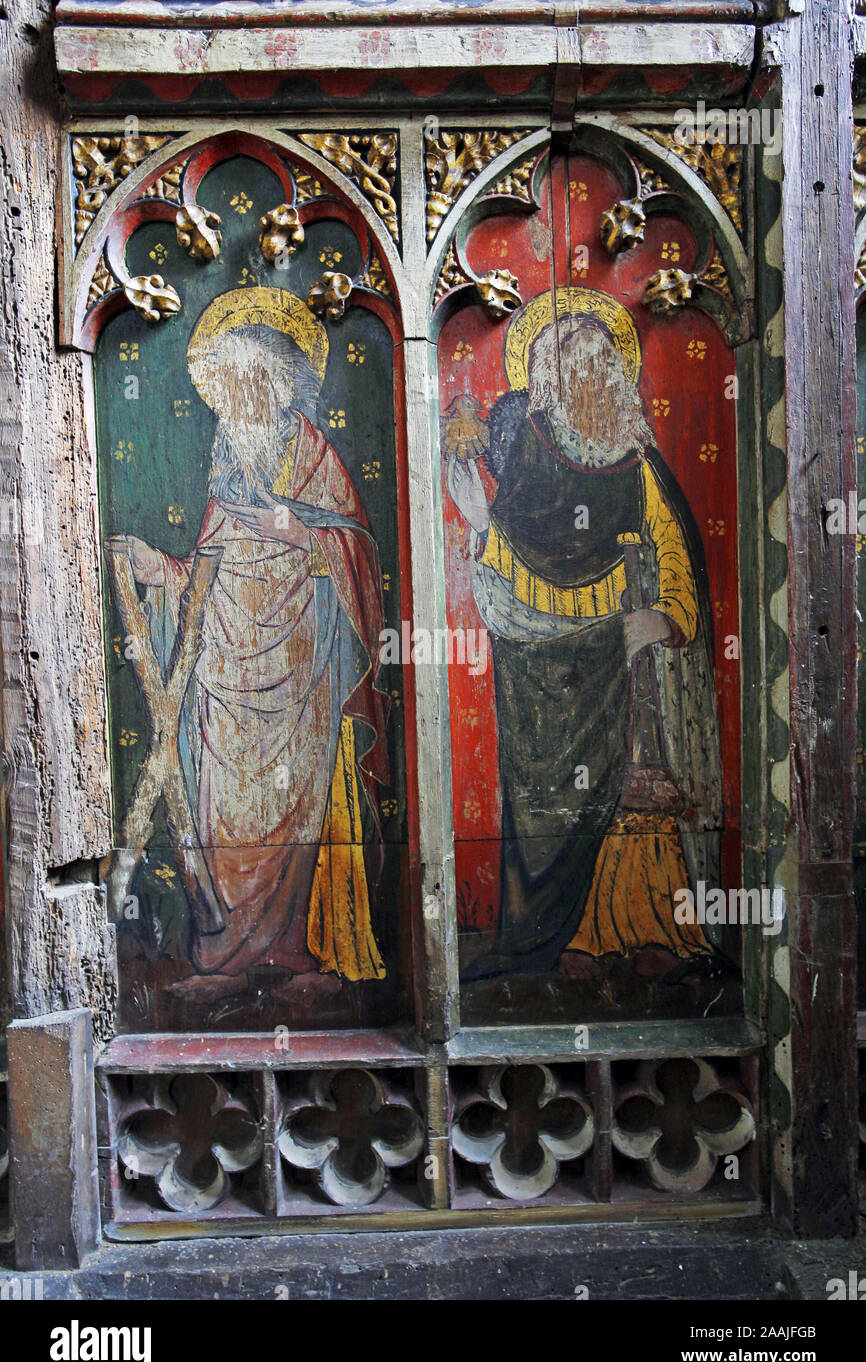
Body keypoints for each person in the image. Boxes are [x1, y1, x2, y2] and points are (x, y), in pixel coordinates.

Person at [443, 288, 721, 980]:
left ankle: (631, 924)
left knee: (627, 779)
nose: (573, 390)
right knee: (540, 791)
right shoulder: (532, 454)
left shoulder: (638, 465)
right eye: (558, 377)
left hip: (621, 659)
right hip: (534, 663)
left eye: (588, 374)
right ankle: (545, 938)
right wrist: (473, 507)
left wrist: (661, 619)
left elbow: (676, 550)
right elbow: (501, 546)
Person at [120, 288, 389, 986]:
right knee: (220, 795)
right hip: (226, 665)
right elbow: (205, 569)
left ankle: (305, 949)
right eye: (226, 386)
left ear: (273, 384)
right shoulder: (230, 466)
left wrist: (298, 533)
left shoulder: (310, 455)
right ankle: (230, 950)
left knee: (298, 798)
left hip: (305, 666)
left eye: (247, 382)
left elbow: (355, 548)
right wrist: (160, 572)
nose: (235, 400)